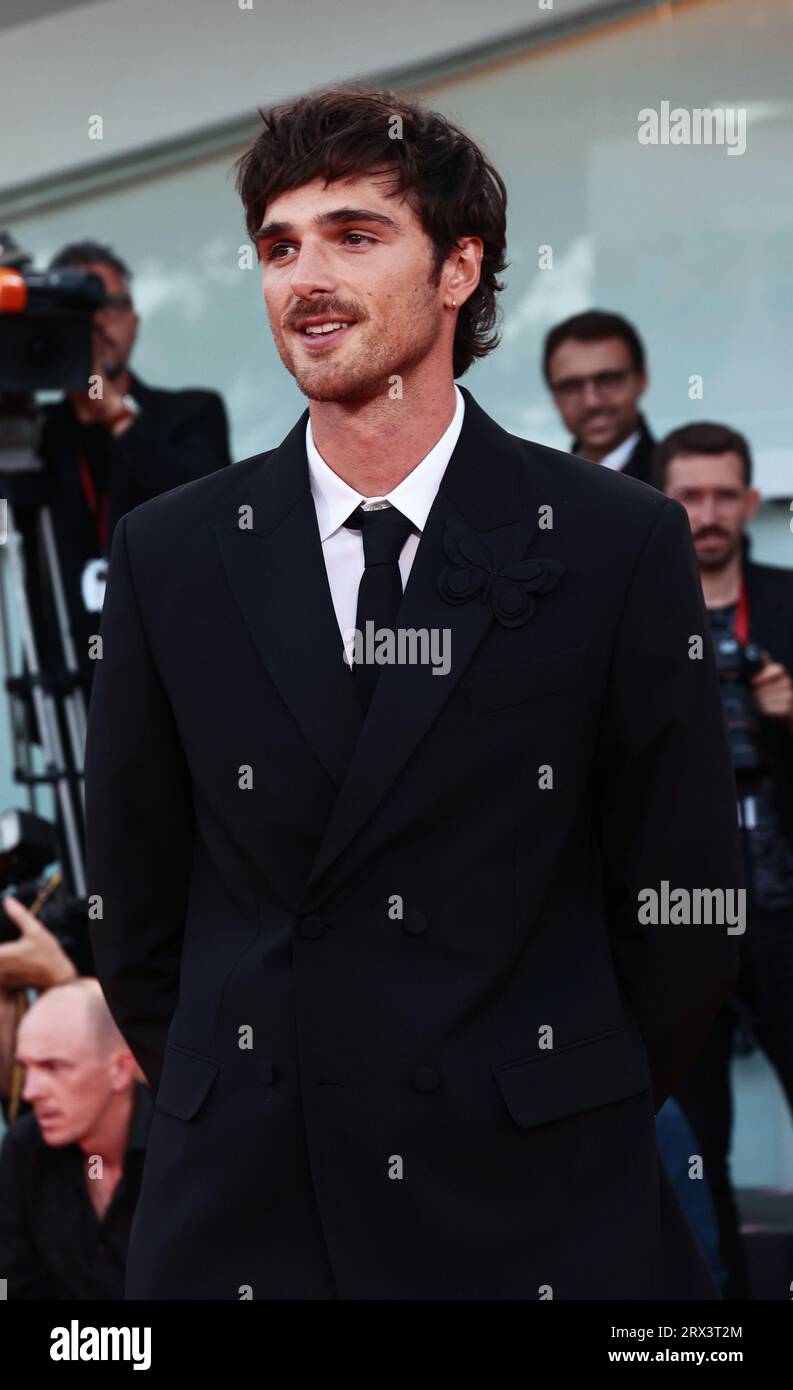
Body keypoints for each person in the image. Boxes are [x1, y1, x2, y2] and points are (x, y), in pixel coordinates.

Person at [84, 84, 742, 1301]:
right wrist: (239, 1091)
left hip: (530, 1200)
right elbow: (136, 893)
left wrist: (556, 1093)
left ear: (459, 271)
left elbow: (687, 890)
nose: (304, 276)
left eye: (354, 234)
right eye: (279, 245)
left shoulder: (612, 541)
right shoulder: (172, 551)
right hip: (250, 1208)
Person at [654, 421, 793, 1299]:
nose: (706, 515)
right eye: (688, 495)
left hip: (784, 904)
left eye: (720, 495)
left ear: (748, 502)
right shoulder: (628, 598)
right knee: (693, 1144)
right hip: (675, 913)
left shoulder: (785, 600)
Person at [26, 240, 232, 701]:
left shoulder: (191, 412)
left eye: (110, 306)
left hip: (185, 668)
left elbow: (208, 512)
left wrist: (116, 417)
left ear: (135, 323)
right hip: (74, 690)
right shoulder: (33, 435)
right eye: (78, 310)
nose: (97, 321)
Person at [0, 977, 151, 1298]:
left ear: (121, 1070)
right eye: (26, 1068)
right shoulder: (25, 1148)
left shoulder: (181, 1154)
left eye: (53, 1067)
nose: (30, 1092)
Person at [543, 310, 655, 483]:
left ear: (642, 380)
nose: (592, 402)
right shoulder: (539, 485)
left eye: (608, 380)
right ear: (554, 397)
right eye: (572, 386)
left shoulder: (685, 484)